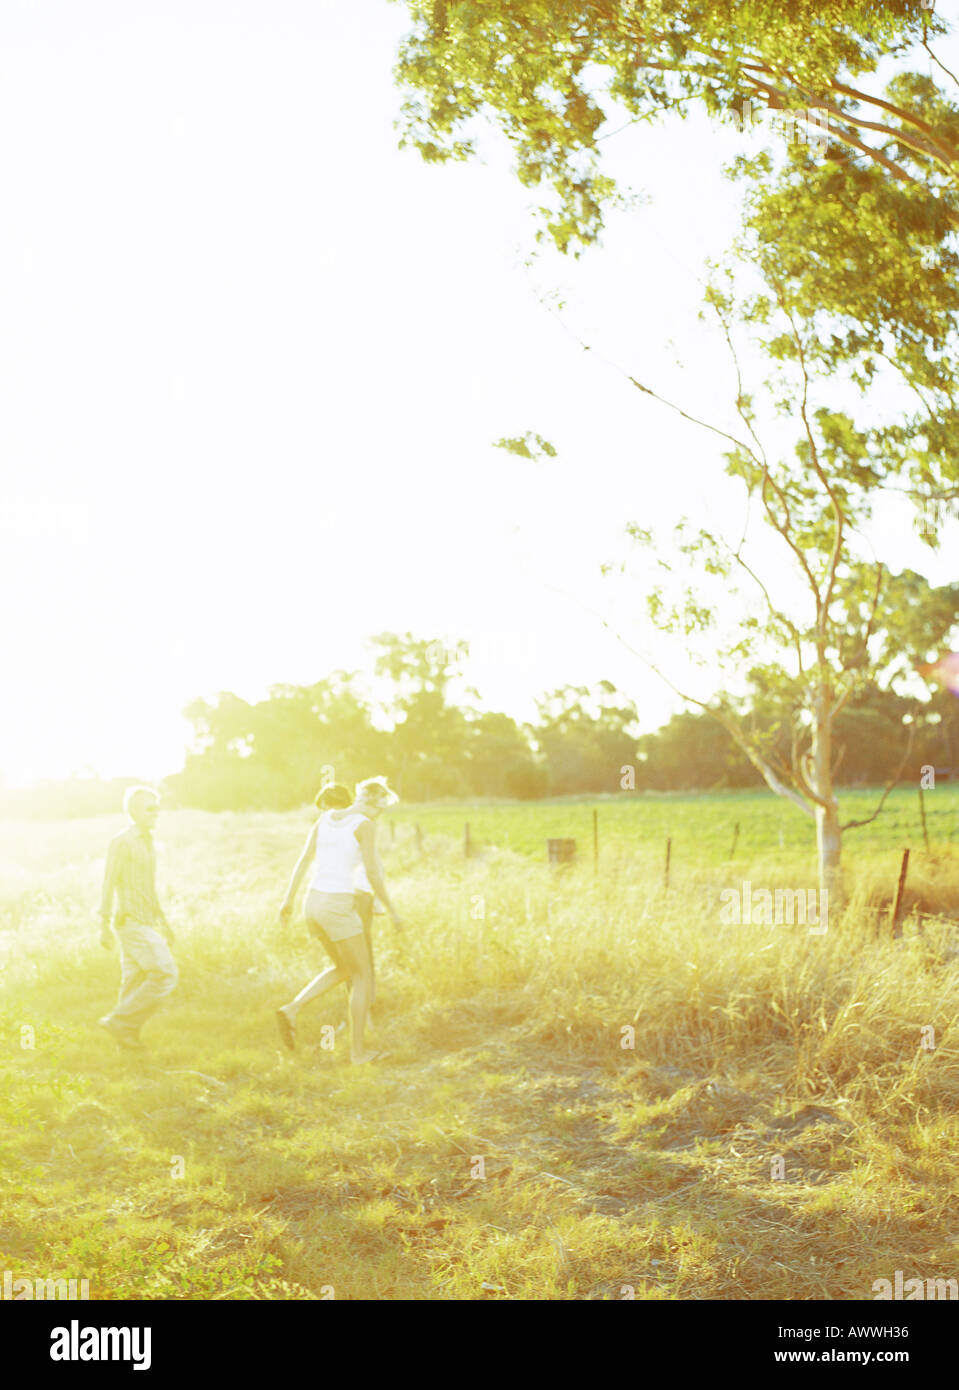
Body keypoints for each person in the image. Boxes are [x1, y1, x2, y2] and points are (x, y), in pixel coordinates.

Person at [275, 777, 402, 1064]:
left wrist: (288, 901)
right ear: (373, 801)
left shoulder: (325, 818)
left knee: (344, 968)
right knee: (362, 976)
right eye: (381, 808)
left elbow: (303, 861)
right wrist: (392, 909)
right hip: (337, 906)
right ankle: (358, 1053)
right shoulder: (365, 825)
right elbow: (373, 873)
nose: (380, 814)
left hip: (312, 903)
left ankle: (292, 1008)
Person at [98, 786, 178, 1049]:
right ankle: (119, 1021)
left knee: (134, 982)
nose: (156, 812)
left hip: (146, 920)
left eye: (157, 807)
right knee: (165, 974)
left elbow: (149, 887)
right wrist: (104, 925)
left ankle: (125, 1041)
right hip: (130, 922)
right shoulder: (122, 842)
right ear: (133, 811)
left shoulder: (148, 841)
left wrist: (164, 923)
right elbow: (109, 883)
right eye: (150, 808)